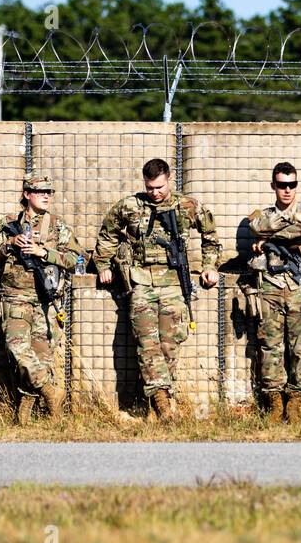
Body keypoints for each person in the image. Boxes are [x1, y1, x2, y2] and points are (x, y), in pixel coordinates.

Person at [93, 158, 221, 420]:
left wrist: (210, 266)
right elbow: (107, 235)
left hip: (174, 284)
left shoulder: (188, 205)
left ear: (170, 179)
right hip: (141, 283)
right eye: (150, 187)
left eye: (160, 187)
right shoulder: (130, 206)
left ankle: (160, 403)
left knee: (170, 345)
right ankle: (162, 403)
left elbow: (211, 236)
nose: (156, 193)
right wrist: (103, 264)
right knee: (147, 344)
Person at [0, 175, 84, 424]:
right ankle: (51, 392)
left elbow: (76, 259)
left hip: (46, 299)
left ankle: (26, 416)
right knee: (17, 349)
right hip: (15, 296)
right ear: (27, 193)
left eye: (49, 191)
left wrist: (44, 252)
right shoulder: (9, 223)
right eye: (40, 191)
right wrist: (9, 244)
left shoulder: (57, 226)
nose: (46, 195)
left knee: (41, 358)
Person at [247, 162, 301, 423]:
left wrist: (270, 239)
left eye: (292, 184)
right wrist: (291, 219)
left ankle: (295, 401)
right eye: (282, 185)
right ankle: (274, 402)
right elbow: (257, 227)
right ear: (273, 186)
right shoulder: (262, 214)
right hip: (270, 287)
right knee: (270, 346)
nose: (287, 190)